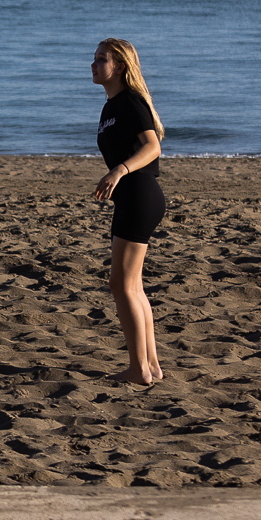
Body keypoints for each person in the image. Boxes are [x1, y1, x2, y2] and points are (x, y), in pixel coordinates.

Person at [90, 37, 167, 385]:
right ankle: (150, 366)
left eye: (101, 59)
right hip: (133, 197)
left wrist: (119, 170)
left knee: (120, 285)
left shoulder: (130, 101)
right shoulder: (111, 105)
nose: (93, 64)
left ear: (119, 66)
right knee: (132, 286)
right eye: (94, 58)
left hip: (140, 194)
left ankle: (138, 370)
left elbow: (153, 147)